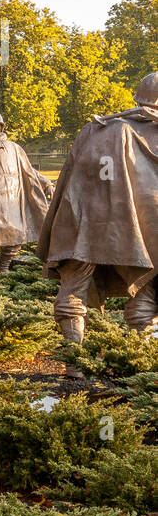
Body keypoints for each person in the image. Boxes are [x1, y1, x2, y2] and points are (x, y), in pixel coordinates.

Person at [38, 73, 158, 343]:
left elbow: (66, 183)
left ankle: (74, 360)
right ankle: (141, 359)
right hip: (140, 230)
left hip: (82, 224)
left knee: (74, 286)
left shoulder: (96, 129)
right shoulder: (128, 131)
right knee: (147, 288)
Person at [0, 110, 54, 272]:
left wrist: (47, 183)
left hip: (14, 197)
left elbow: (29, 171)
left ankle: (3, 267)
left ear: (2, 126)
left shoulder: (13, 147)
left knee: (15, 235)